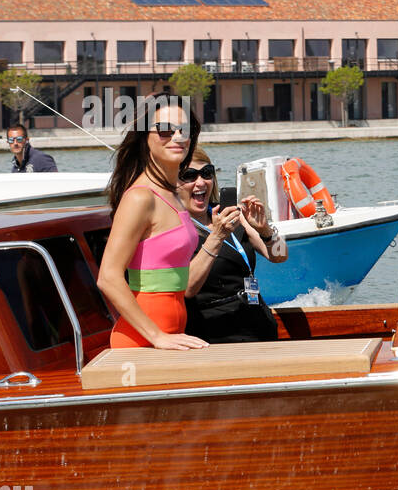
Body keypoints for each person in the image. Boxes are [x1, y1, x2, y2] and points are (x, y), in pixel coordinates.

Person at [98, 102, 209, 350]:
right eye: (165, 130)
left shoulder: (175, 195)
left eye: (185, 129)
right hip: (140, 342)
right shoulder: (140, 197)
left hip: (173, 336)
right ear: (144, 138)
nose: (178, 137)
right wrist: (157, 336)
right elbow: (108, 277)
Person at [177, 147, 286, 343]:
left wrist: (266, 231)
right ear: (174, 183)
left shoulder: (231, 215)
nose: (200, 182)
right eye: (189, 176)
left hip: (257, 320)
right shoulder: (174, 226)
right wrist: (217, 235)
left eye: (207, 173)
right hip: (214, 331)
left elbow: (279, 256)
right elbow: (187, 288)